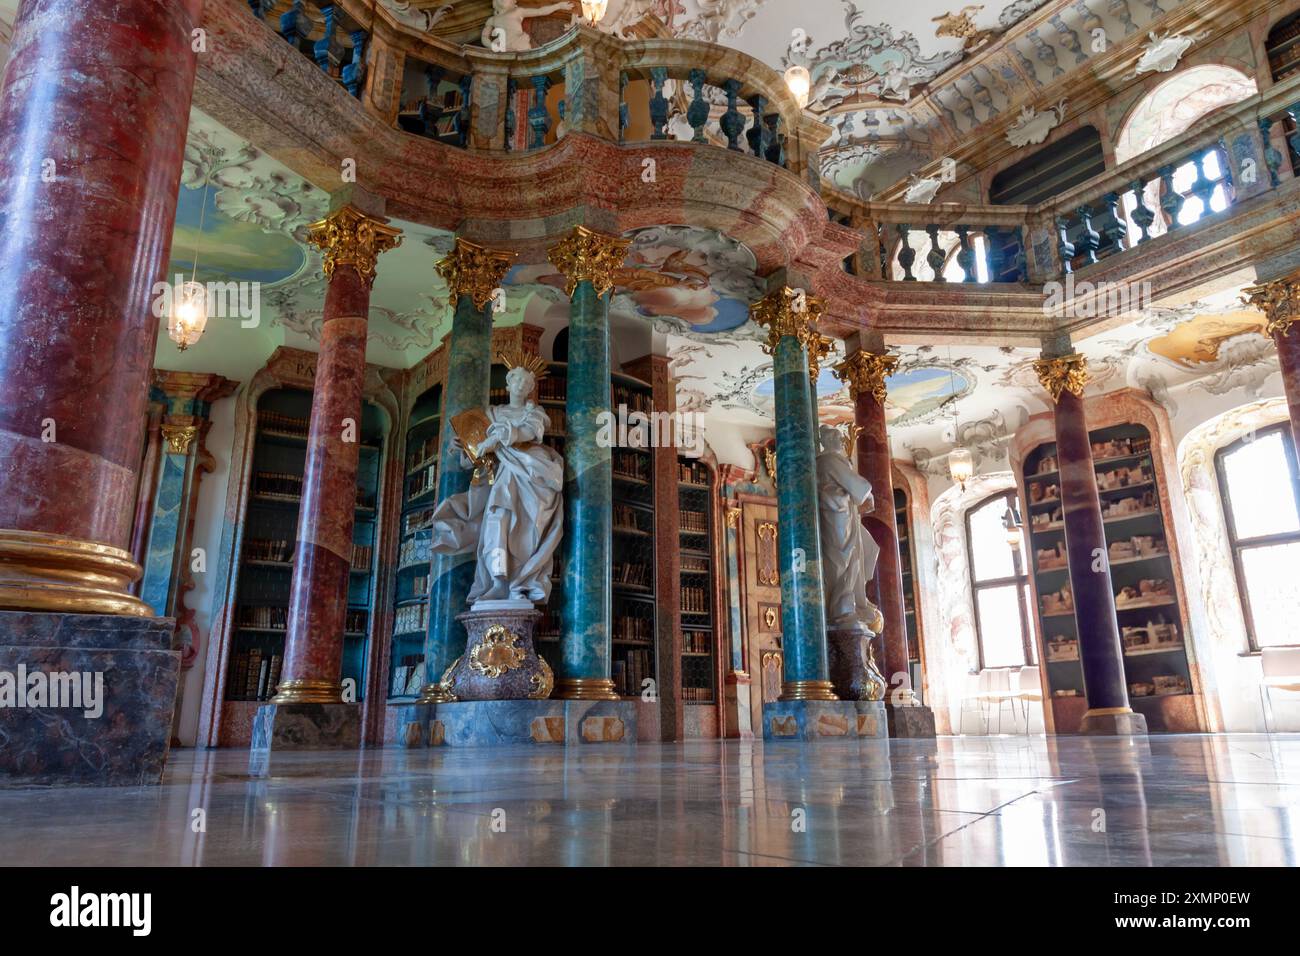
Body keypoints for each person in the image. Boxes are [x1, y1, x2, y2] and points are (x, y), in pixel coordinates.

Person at [429, 364, 564, 605]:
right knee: (496, 523)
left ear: (531, 389)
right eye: (517, 380)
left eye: (526, 383)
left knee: (526, 531)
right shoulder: (491, 414)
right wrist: (465, 448)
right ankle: (498, 580)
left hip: (530, 477)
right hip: (503, 478)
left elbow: (528, 432)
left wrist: (494, 439)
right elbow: (479, 457)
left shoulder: (535, 413)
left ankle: (520, 583)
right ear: (508, 384)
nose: (521, 386)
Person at [815, 423, 881, 629]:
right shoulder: (829, 460)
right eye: (836, 438)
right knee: (842, 558)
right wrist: (868, 494)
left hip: (843, 513)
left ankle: (853, 600)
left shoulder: (833, 460)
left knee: (862, 550)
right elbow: (858, 486)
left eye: (839, 439)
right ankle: (842, 608)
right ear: (827, 442)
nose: (839, 442)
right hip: (837, 516)